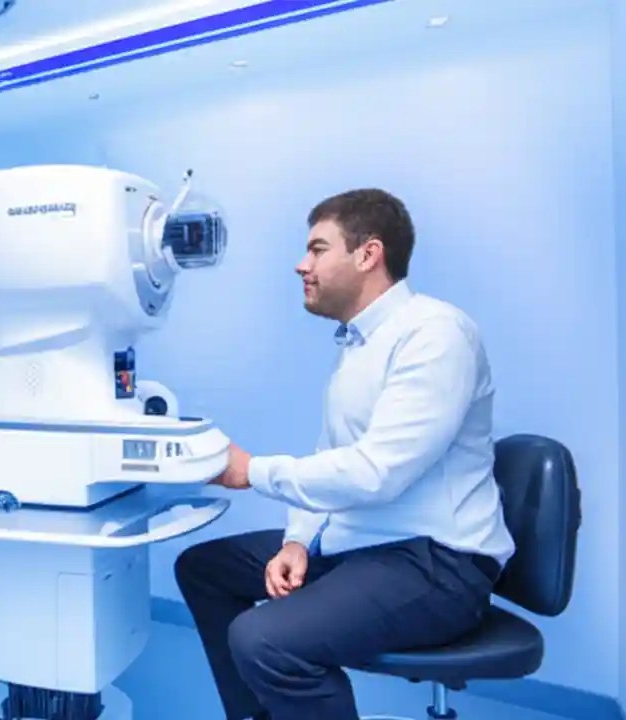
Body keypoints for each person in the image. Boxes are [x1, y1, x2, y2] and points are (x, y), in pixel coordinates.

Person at [175, 188, 515, 720]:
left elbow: (377, 473)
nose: (300, 265)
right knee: (204, 567)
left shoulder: (434, 335)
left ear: (367, 254)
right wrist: (297, 540)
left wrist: (252, 472)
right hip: (363, 543)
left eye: (316, 249)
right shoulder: (359, 343)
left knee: (264, 640)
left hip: (438, 564)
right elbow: (332, 457)